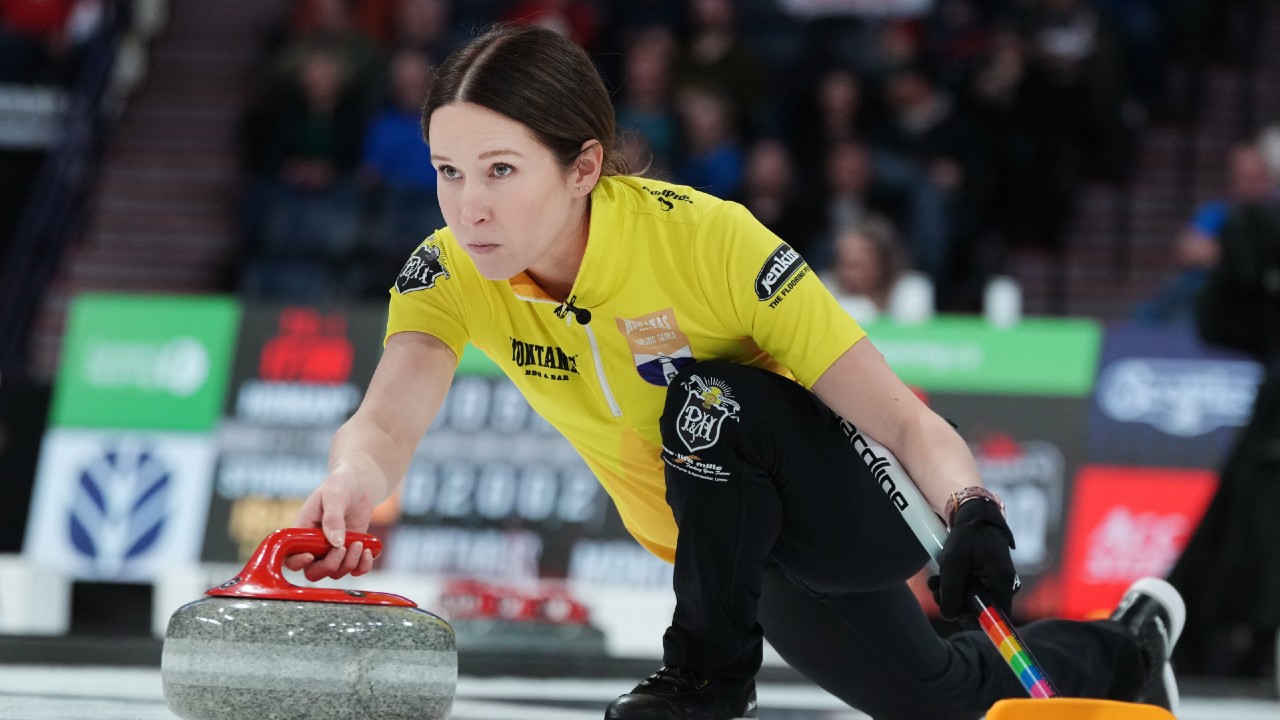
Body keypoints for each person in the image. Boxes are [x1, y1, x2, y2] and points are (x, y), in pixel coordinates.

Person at [286, 24, 1185, 720]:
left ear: (583, 167)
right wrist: (349, 481)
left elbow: (902, 422)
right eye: (448, 171)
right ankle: (1128, 651)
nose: (467, 206)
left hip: (844, 502)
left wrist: (973, 512)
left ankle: (705, 677)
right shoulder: (453, 271)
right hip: (728, 550)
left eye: (500, 170)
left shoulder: (709, 243)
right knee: (940, 703)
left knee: (703, 401)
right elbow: (389, 418)